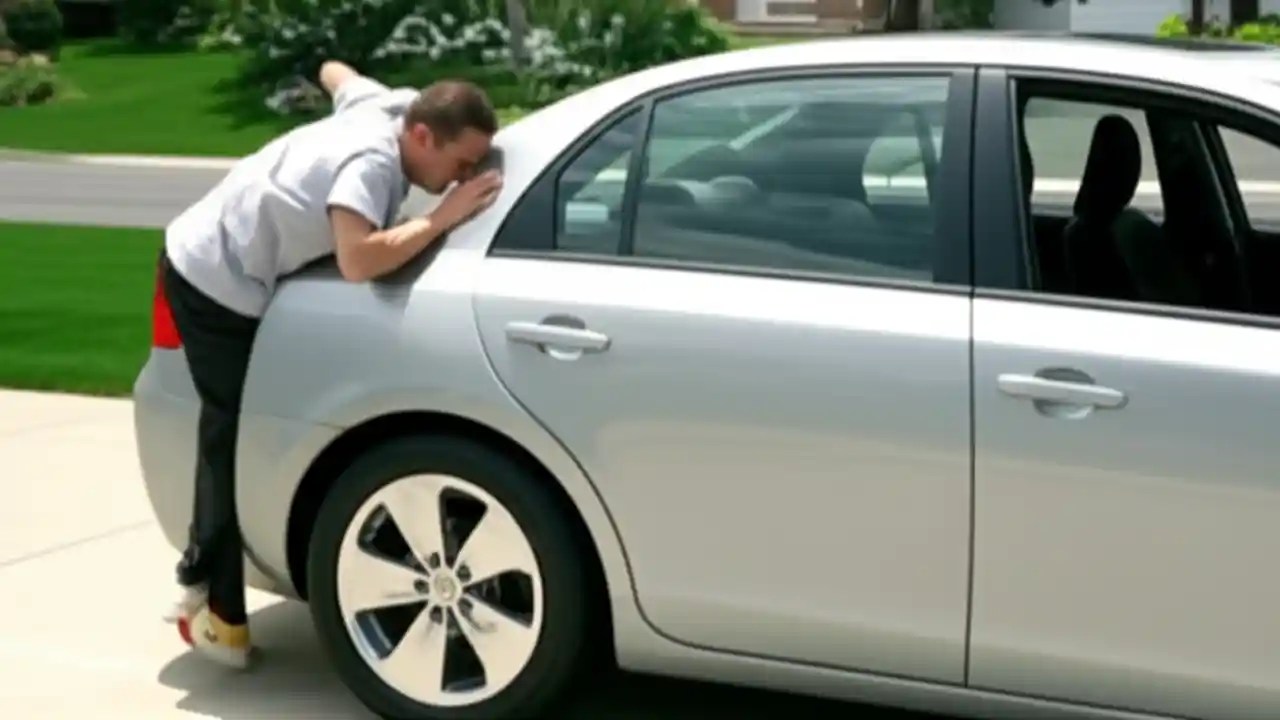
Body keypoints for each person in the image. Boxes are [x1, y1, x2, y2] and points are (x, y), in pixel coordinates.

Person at [157, 60, 504, 669]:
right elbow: (358, 259)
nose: (465, 177)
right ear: (423, 137)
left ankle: (210, 593)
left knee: (250, 431)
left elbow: (336, 73)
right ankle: (209, 604)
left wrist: (315, 66)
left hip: (225, 251)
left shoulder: (388, 103)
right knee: (230, 436)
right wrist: (443, 217)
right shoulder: (371, 163)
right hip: (212, 279)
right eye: (461, 163)